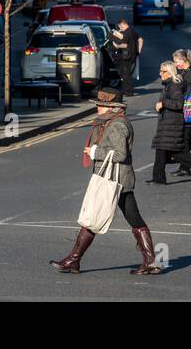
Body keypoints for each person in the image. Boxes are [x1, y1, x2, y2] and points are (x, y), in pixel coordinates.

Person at [50, 89, 161, 275]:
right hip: (115, 178)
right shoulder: (109, 122)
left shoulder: (118, 125)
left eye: (102, 105)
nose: (98, 107)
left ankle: (73, 260)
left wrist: (94, 152)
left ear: (113, 107)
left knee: (96, 217)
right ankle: (150, 262)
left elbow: (120, 154)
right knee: (129, 218)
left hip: (115, 179)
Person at [149, 61, 191, 184]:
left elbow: (178, 104)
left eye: (162, 71)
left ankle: (159, 179)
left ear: (169, 72)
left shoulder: (174, 86)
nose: (160, 74)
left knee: (165, 151)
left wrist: (163, 104)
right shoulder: (169, 85)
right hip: (168, 123)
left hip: (172, 125)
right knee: (174, 153)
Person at [110, 19, 142, 98]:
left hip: (127, 55)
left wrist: (116, 45)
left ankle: (128, 91)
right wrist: (138, 51)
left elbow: (125, 45)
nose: (120, 28)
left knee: (126, 74)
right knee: (126, 73)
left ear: (122, 24)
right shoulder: (133, 31)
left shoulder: (127, 33)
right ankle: (126, 90)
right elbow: (141, 40)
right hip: (133, 54)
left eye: (120, 27)